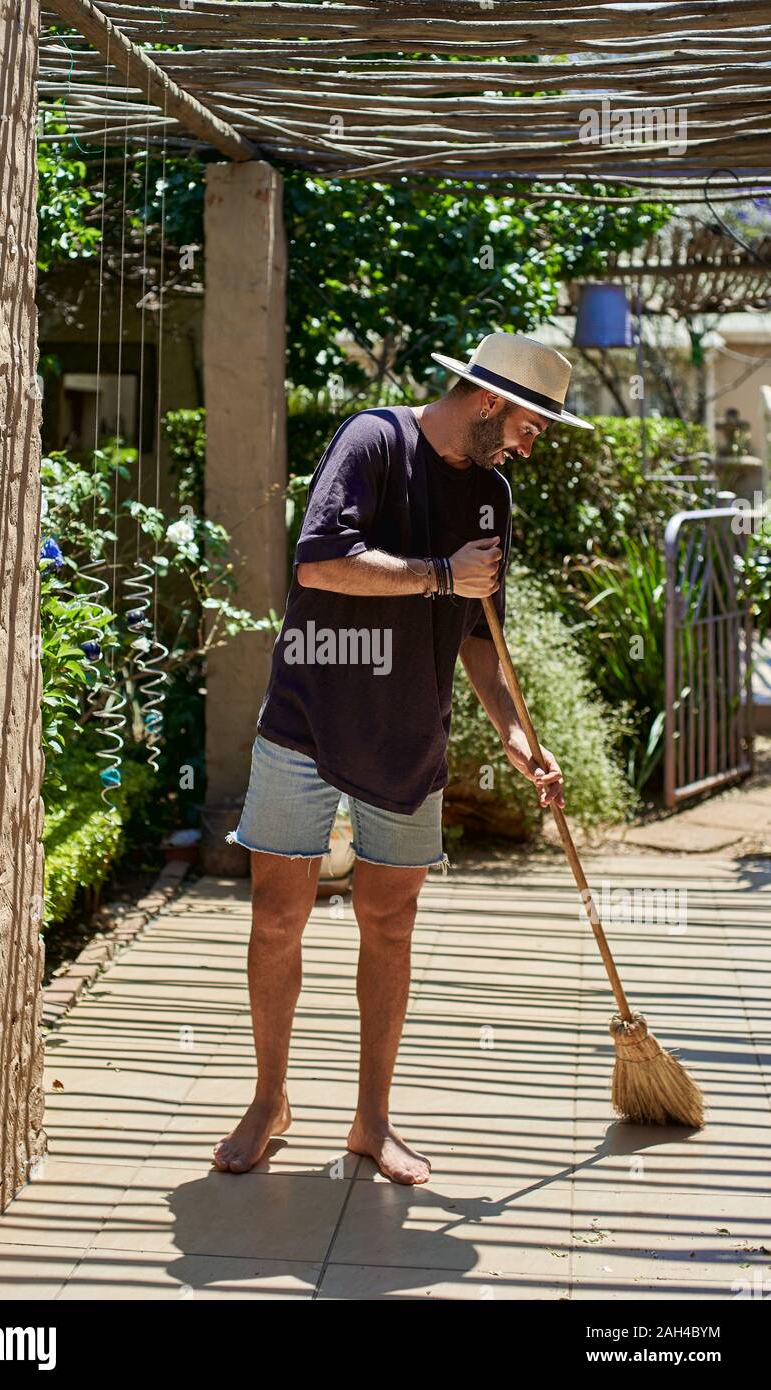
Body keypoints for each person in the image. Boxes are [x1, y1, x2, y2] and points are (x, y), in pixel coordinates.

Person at [215, 331, 594, 1184]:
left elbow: (480, 632)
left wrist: (516, 733)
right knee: (278, 918)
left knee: (388, 926)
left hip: (407, 733)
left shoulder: (493, 494)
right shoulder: (373, 440)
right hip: (307, 721)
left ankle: (371, 1120)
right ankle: (270, 1098)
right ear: (490, 400)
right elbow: (319, 566)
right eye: (535, 423)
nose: (535, 443)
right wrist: (436, 573)